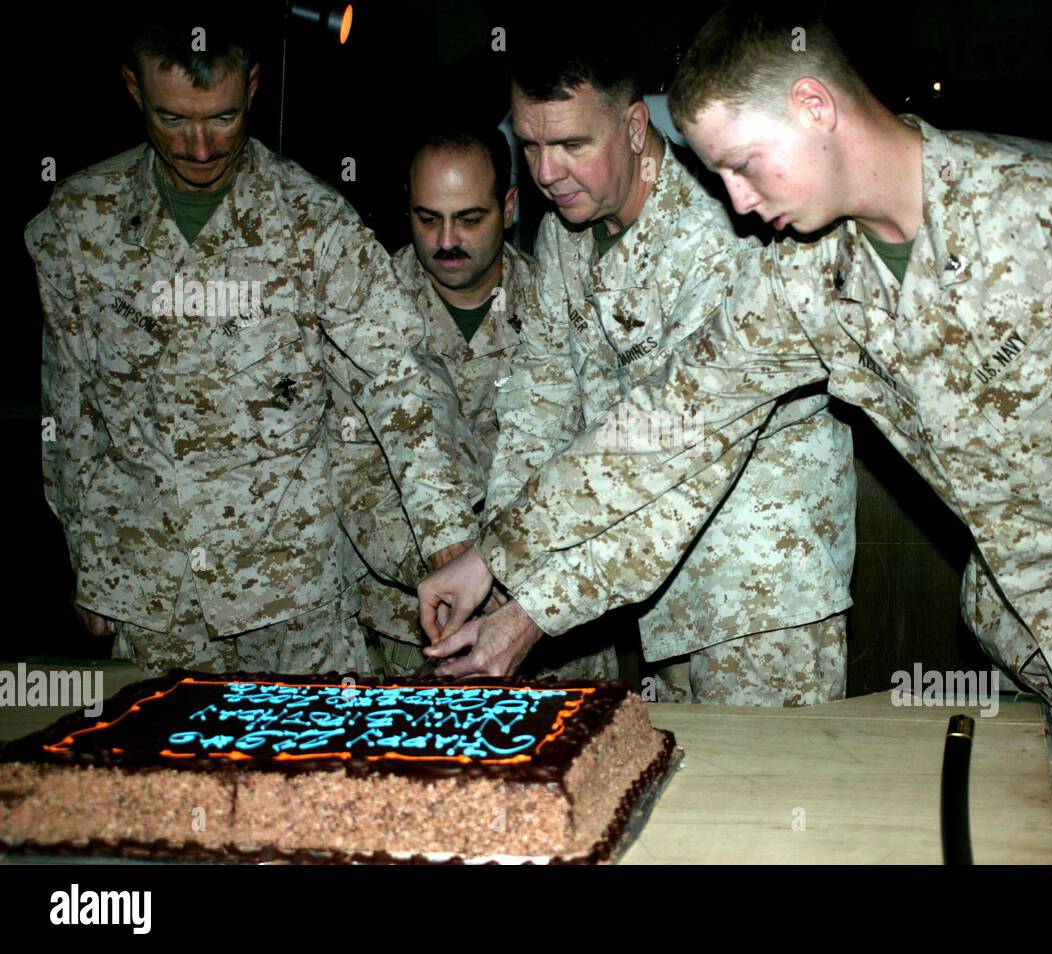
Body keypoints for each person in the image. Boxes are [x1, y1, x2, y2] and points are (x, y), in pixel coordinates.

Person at [421, 7, 1052, 863]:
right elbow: (668, 425)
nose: (733, 199)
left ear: (814, 107)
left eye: (743, 165)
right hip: (1037, 667)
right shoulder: (809, 279)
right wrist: (496, 553)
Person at [29, 15, 479, 675]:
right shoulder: (77, 225)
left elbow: (399, 383)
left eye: (224, 118)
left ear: (255, 88)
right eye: (175, 119)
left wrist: (448, 546)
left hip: (291, 599)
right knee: (161, 774)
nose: (202, 147)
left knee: (317, 772)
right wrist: (85, 558)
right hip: (151, 596)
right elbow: (66, 407)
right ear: (132, 89)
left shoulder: (314, 224)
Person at [419, 35, 857, 705]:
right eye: (530, 147)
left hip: (760, 597)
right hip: (646, 598)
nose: (547, 173)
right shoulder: (563, 234)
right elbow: (539, 408)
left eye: (571, 145)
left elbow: (673, 460)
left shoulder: (722, 229)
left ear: (632, 126)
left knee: (764, 803)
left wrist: (533, 607)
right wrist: (495, 563)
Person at [359, 127, 537, 675]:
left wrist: (515, 578)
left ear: (507, 207)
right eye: (428, 218)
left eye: (469, 218)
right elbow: (358, 479)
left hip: (543, 625)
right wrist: (456, 567)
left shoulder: (561, 300)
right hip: (417, 624)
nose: (446, 241)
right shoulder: (366, 309)